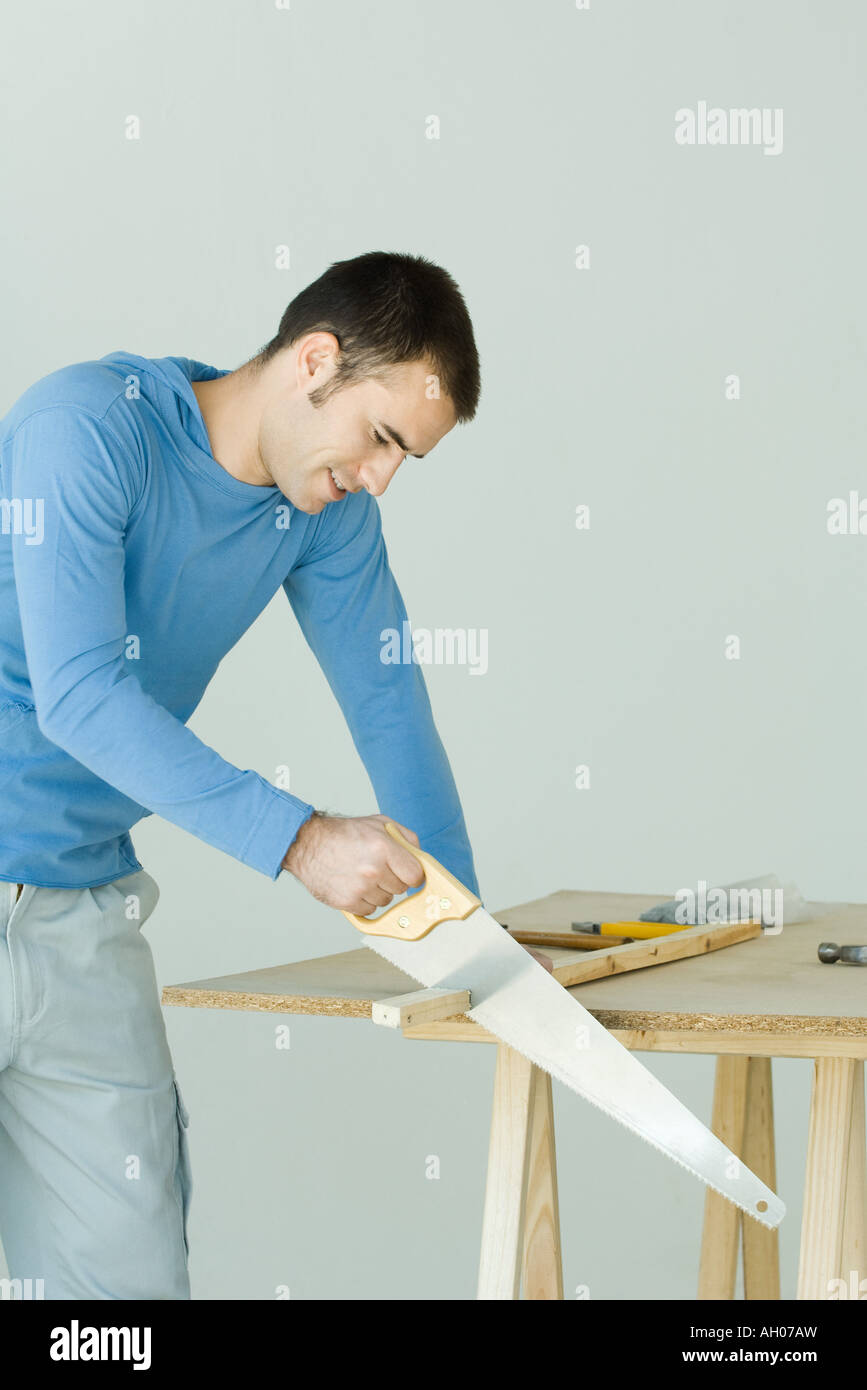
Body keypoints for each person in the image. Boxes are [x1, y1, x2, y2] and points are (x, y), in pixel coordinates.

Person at [0, 250, 548, 1300]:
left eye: (405, 461)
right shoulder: (87, 427)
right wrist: (301, 840)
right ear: (314, 361)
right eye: (381, 438)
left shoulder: (325, 516)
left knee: (121, 1312)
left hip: (79, 919)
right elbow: (77, 695)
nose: (381, 477)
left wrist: (462, 924)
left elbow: (387, 702)